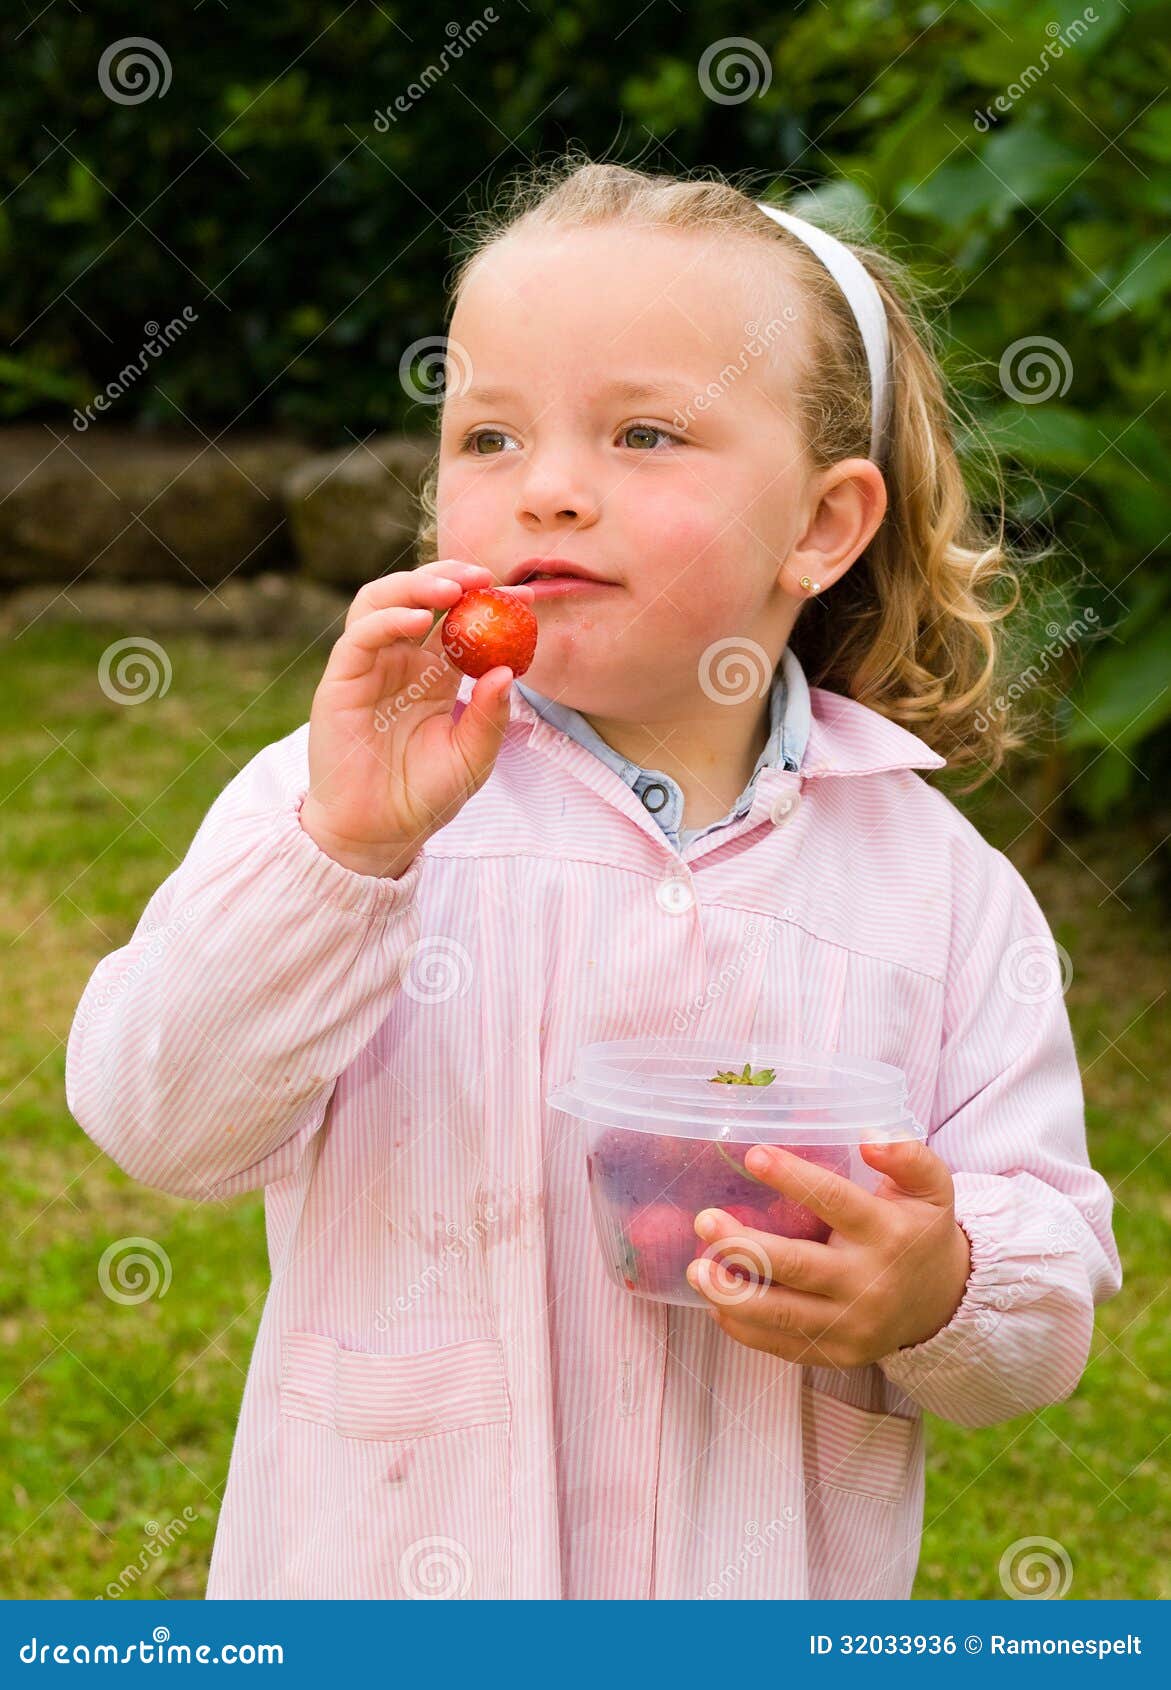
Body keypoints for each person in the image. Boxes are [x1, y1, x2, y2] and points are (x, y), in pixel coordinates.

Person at [66, 157, 1121, 1601]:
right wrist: (346, 855)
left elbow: (1047, 1282)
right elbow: (157, 1116)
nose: (549, 491)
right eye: (489, 435)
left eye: (642, 432)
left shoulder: (941, 893)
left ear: (820, 526)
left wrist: (936, 1284)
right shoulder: (349, 805)